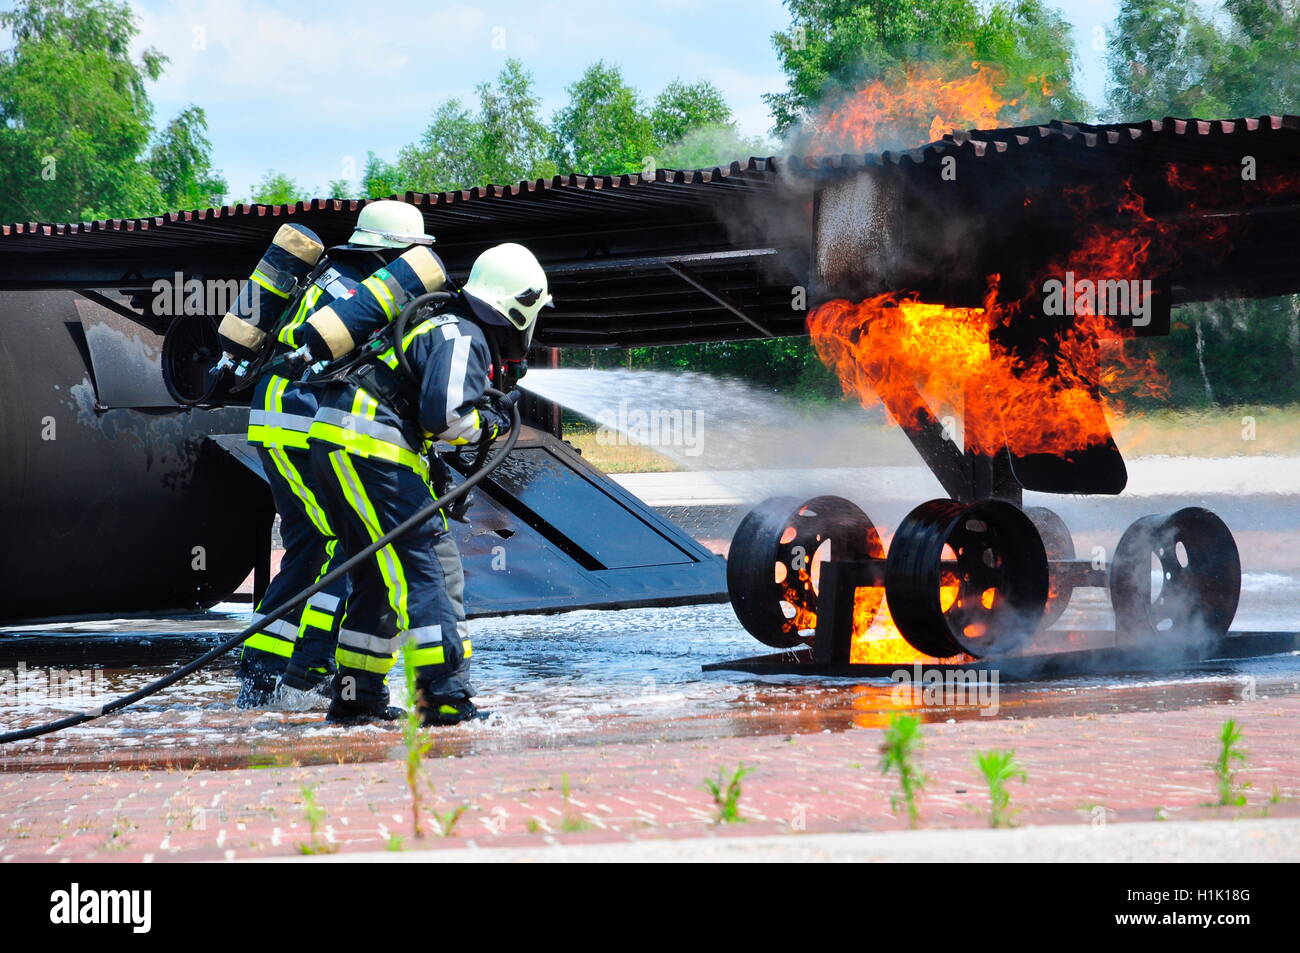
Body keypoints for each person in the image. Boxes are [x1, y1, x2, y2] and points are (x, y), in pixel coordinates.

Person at [307, 242, 552, 725]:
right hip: (369, 450)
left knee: (377, 577)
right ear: (518, 306)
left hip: (338, 443)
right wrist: (493, 424)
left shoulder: (436, 319)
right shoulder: (464, 334)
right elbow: (445, 418)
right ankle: (443, 697)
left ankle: (357, 698)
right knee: (433, 568)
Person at [223, 200, 448, 706]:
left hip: (287, 419)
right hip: (298, 423)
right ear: (392, 250)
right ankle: (288, 670)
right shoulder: (364, 293)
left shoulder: (333, 275)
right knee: (334, 544)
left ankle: (278, 669)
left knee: (315, 544)